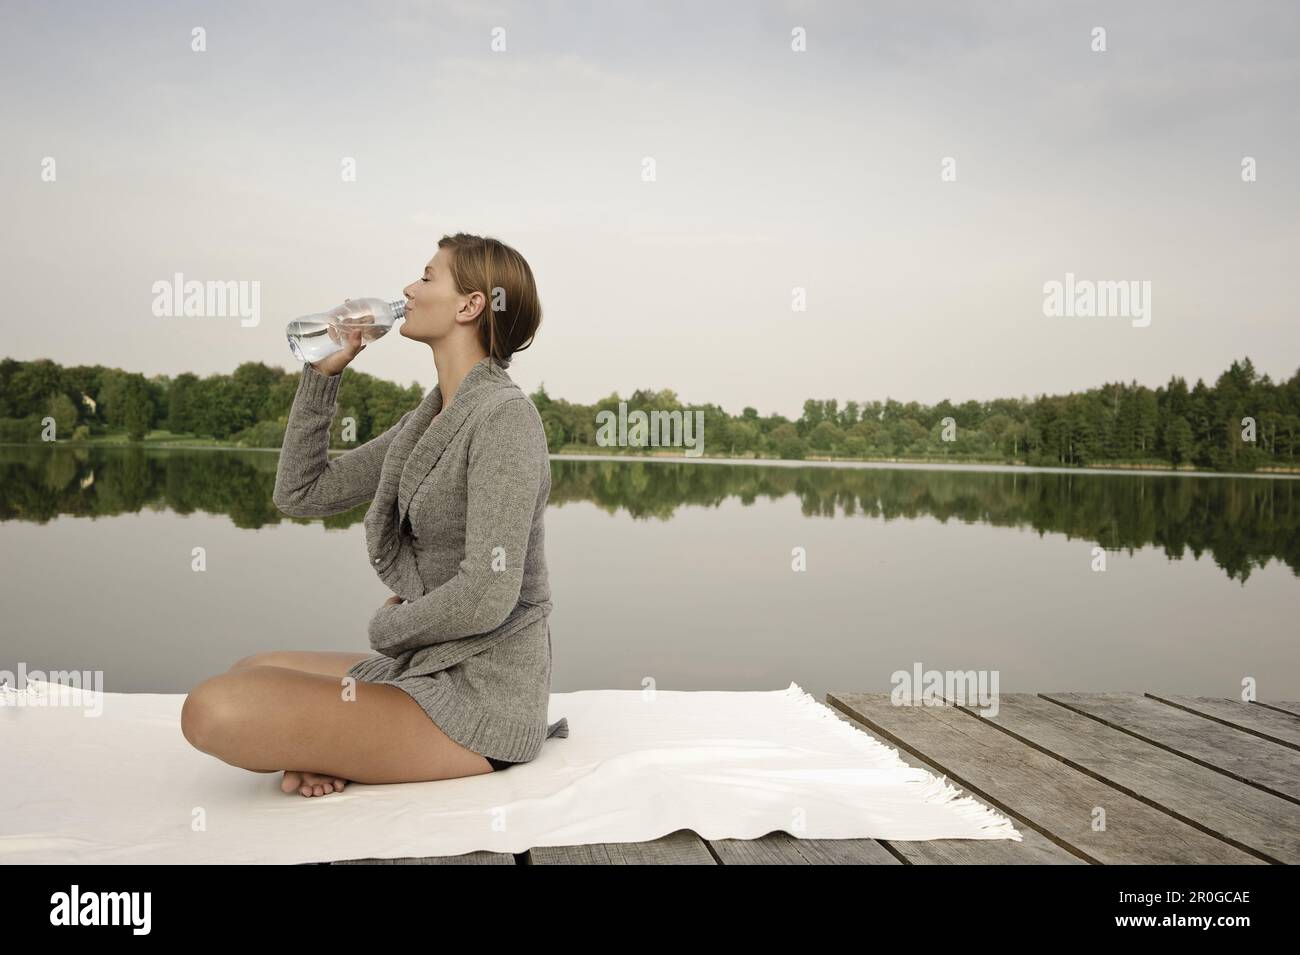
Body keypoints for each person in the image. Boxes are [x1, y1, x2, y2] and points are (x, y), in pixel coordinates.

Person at [180, 233, 566, 797]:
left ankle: (348, 743)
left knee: (212, 708)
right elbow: (302, 492)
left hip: (482, 696)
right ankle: (346, 744)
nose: (408, 289)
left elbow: (488, 592)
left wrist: (387, 628)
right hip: (428, 661)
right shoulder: (429, 420)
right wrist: (323, 375)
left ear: (470, 305)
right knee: (251, 667)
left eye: (428, 277)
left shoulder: (504, 420)